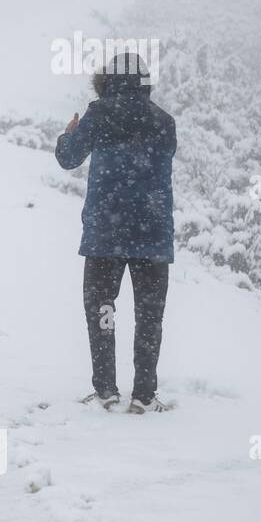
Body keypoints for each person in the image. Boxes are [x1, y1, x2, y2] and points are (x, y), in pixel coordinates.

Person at [55, 52, 175, 414]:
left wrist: (68, 135)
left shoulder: (99, 114)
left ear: (107, 80)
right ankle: (144, 395)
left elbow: (68, 158)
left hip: (106, 233)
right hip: (152, 234)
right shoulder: (164, 122)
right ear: (144, 82)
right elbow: (163, 156)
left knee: (103, 310)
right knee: (149, 317)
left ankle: (106, 391)